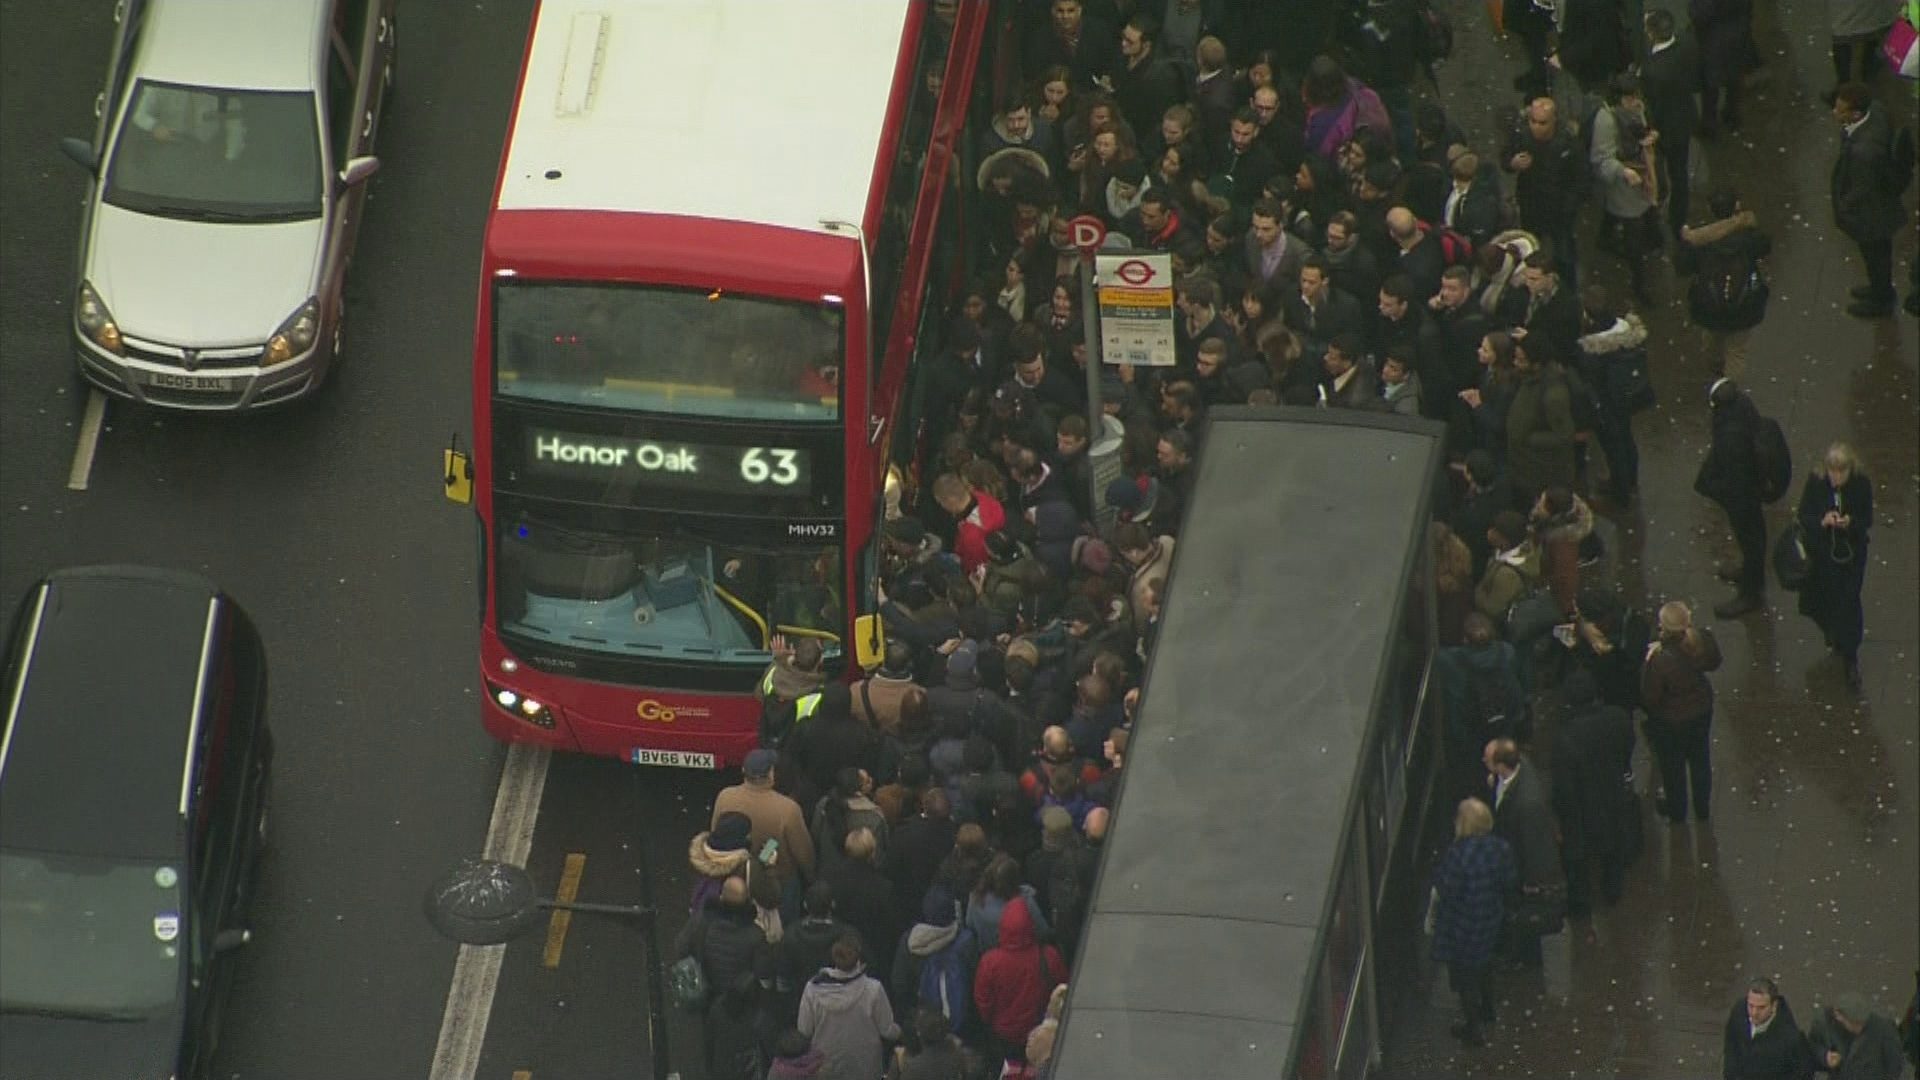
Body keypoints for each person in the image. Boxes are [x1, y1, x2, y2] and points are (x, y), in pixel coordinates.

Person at [1428, 798, 1517, 1047]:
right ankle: (1489, 1009)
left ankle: (1473, 1027)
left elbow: (1447, 889)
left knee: (1465, 978)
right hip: (1490, 919)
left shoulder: (1457, 856)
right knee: (1484, 965)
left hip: (1463, 927)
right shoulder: (1500, 847)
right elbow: (1509, 880)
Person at [1551, 667, 1636, 918]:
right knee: (1614, 845)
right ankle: (1613, 889)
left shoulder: (1565, 738)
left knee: (1577, 856)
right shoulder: (1618, 718)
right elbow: (1627, 748)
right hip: (1612, 794)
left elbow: (1563, 787)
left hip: (1582, 806)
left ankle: (1580, 903)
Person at [1796, 443, 1875, 691]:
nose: (1836, 477)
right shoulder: (1816, 483)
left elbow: (1866, 520)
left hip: (1851, 556)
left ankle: (1850, 655)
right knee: (1823, 597)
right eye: (1833, 471)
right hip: (1823, 554)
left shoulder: (1861, 485)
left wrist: (1850, 523)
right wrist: (1822, 521)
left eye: (1841, 472)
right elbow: (1804, 514)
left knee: (1849, 601)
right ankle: (1833, 632)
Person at [1640, 601, 1723, 823]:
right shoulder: (1701, 641)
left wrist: (1648, 662)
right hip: (1702, 710)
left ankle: (1677, 811)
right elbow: (1715, 661)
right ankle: (1702, 809)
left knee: (1673, 767)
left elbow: (1651, 697)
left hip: (1672, 721)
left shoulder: (1660, 660)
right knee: (1700, 760)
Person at [1484, 737, 1563, 968]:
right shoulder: (1517, 768)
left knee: (1522, 917)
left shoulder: (1527, 805)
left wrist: (1532, 883)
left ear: (1501, 765)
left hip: (1519, 866)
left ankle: (1524, 960)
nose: (1483, 762)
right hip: (1511, 856)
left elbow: (1533, 846)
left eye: (1487, 760)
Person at [1694, 378, 1769, 617]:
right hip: (1751, 488)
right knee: (1753, 537)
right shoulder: (1742, 407)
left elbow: (1733, 477)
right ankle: (1749, 572)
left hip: (1742, 494)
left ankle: (1751, 594)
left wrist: (1717, 490)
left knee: (1750, 538)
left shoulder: (1730, 437)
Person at [1681, 188, 1773, 379]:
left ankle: (1715, 367)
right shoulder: (1748, 237)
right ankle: (1729, 388)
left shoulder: (1700, 241)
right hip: (1743, 307)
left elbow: (1682, 266)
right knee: (1737, 351)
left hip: (1709, 307)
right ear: (1736, 207)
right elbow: (1765, 246)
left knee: (1712, 340)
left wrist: (1685, 241)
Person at [1828, 83, 1903, 318]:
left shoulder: (1863, 152)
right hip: (1882, 203)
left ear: (1856, 115)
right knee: (1878, 255)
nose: (1835, 113)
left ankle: (1880, 300)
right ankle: (1879, 289)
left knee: (1875, 256)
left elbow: (1861, 189)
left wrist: (1843, 206)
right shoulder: (1876, 113)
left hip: (1872, 213)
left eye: (1841, 111)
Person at [972, 896, 1068, 1065]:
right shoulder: (1049, 956)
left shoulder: (990, 962)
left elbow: (983, 1002)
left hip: (1005, 1035)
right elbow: (1062, 992)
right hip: (1039, 1032)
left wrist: (994, 1022)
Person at [1502, 97, 1587, 283]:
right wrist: (1512, 163)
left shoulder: (1569, 143)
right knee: (1531, 248)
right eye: (1533, 121)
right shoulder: (1521, 135)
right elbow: (1505, 157)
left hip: (1560, 208)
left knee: (1564, 253)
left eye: (1542, 123)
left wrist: (1569, 207)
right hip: (1531, 204)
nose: (1536, 127)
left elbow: (1581, 179)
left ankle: (1567, 288)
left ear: (1554, 120)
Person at [797, 934, 900, 1080]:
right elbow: (887, 1030)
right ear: (859, 958)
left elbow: (804, 1031)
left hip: (825, 1066)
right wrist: (904, 1032)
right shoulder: (873, 989)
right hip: (865, 1066)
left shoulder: (812, 989)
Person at [714, 748, 816, 890]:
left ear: (744, 770)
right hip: (777, 880)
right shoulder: (788, 809)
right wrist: (811, 878)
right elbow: (803, 853)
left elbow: (716, 833)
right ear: (770, 774)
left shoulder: (725, 796)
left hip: (736, 876)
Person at [1641, 10, 1702, 237]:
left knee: (1656, 169)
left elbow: (1652, 104)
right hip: (1683, 119)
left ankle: (1656, 209)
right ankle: (1678, 220)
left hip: (1662, 128)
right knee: (1680, 174)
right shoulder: (1687, 45)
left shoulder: (1652, 71)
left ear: (1652, 33)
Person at [1723, 976, 1816, 1080]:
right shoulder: (1739, 1011)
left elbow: (1804, 1072)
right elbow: (1731, 1044)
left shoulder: (1791, 1038)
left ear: (1774, 1005)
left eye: (1761, 1007)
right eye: (1750, 1005)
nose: (1754, 1013)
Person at [1807, 991, 1909, 1079]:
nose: (1860, 1028)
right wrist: (1825, 1056)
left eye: (1862, 1023)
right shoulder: (1824, 1025)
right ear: (1839, 1016)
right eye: (1854, 1023)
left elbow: (1896, 1064)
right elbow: (1812, 1048)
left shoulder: (1884, 1028)